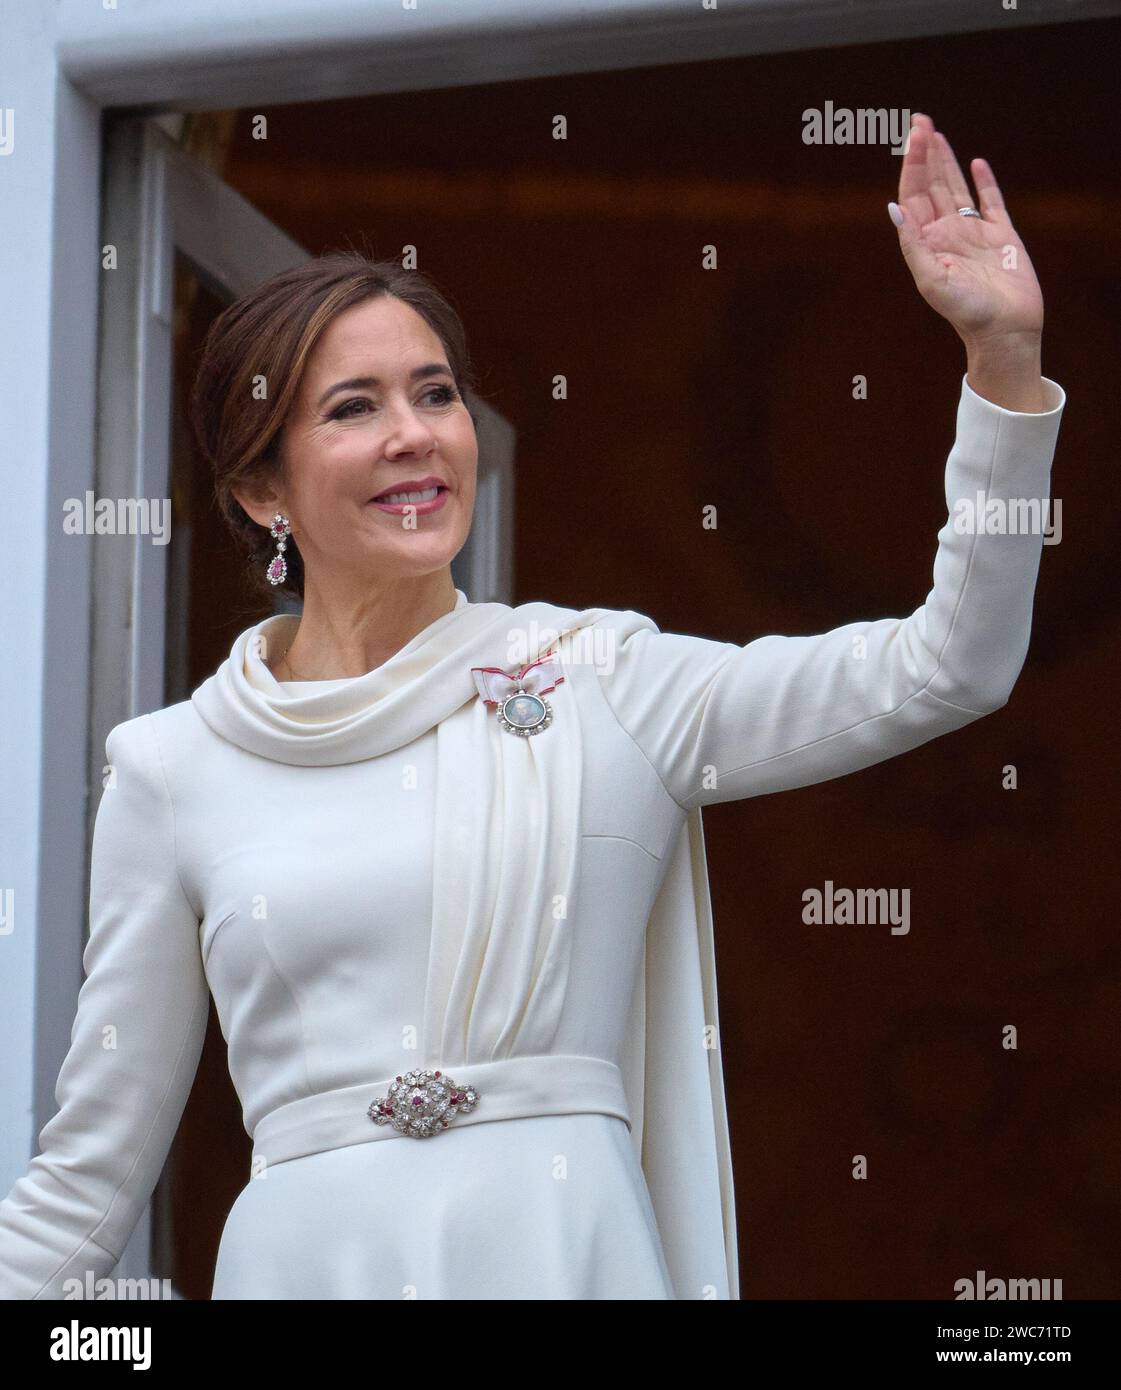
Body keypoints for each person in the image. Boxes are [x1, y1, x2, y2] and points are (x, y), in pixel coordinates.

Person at [0, 113, 1066, 1299]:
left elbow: (948, 665)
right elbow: (85, 1186)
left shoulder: (605, 678)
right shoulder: (168, 767)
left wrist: (1001, 368)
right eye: (352, 408)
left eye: (435, 392)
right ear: (260, 486)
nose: (413, 435)